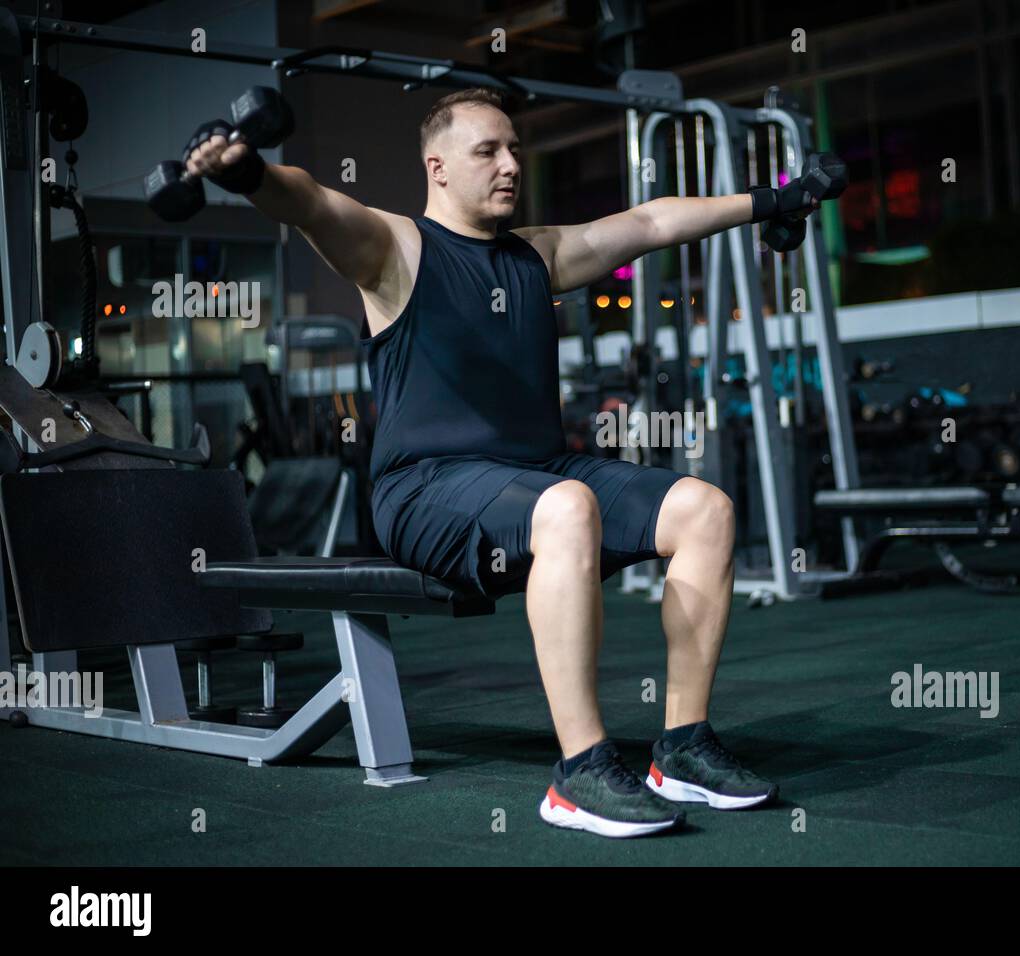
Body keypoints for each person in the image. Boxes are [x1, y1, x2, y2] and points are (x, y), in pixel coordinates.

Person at [182, 87, 818, 838]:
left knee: (705, 511)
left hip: (536, 476)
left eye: (515, 149)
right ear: (439, 168)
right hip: (425, 490)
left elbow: (648, 222)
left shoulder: (535, 255)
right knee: (568, 508)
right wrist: (249, 173)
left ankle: (681, 747)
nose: (511, 164)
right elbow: (313, 204)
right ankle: (581, 771)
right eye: (488, 150)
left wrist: (772, 199)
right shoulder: (396, 250)